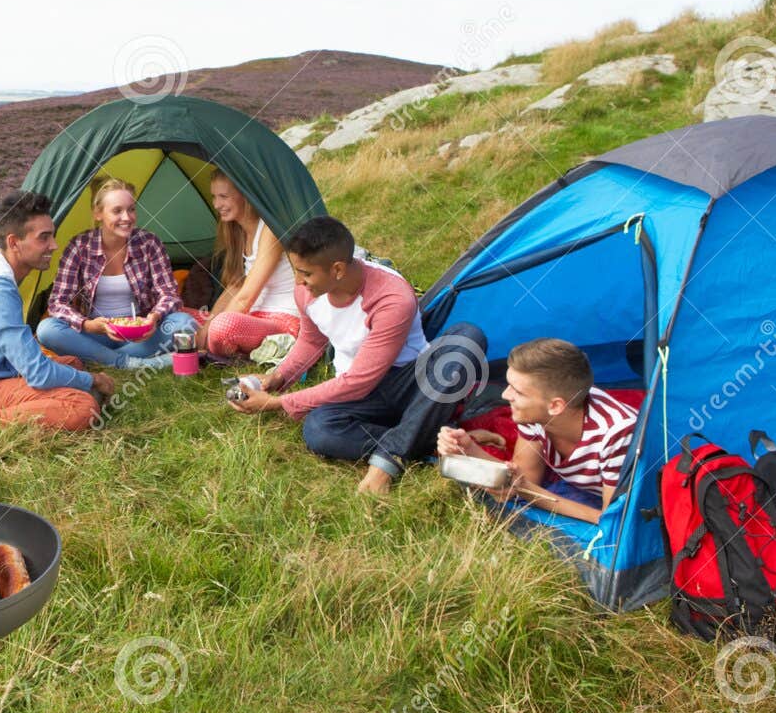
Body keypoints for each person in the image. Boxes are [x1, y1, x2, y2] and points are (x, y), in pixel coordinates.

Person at [226, 215, 486, 496]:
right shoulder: (306, 293)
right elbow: (312, 341)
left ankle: (389, 458)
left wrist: (278, 404)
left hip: (412, 382)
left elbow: (360, 379)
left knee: (467, 338)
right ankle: (425, 436)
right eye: (297, 271)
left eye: (306, 273)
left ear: (337, 270)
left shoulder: (391, 297)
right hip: (361, 398)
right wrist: (278, 377)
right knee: (319, 431)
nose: (299, 282)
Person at [0, 190, 116, 436]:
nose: (54, 245)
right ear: (14, 242)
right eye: (44, 238)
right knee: (82, 406)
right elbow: (38, 374)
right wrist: (94, 380)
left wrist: (80, 377)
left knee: (72, 364)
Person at [437, 339, 639, 524]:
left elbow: (611, 521)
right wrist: (469, 449)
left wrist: (526, 489)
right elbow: (523, 478)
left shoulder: (616, 436)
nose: (506, 395)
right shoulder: (535, 415)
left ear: (556, 406)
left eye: (518, 391)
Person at [35, 175, 193, 369]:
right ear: (98, 213)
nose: (127, 218)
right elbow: (57, 303)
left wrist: (154, 317)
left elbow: (168, 295)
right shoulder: (79, 247)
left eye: (131, 209)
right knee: (47, 329)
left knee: (185, 323)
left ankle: (106, 362)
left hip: (141, 335)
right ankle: (133, 363)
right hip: (97, 333)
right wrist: (87, 325)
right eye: (117, 211)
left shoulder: (149, 243)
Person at [192, 171, 301, 358]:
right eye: (214, 197)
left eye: (223, 197)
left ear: (246, 195)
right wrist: (205, 325)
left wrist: (209, 329)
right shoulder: (239, 232)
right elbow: (234, 287)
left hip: (280, 320)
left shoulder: (269, 229)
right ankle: (225, 347)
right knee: (181, 317)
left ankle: (221, 346)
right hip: (252, 317)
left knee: (222, 327)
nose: (217, 205)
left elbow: (246, 296)